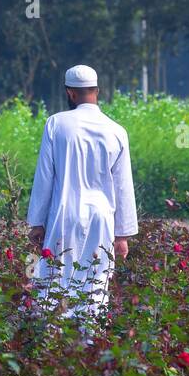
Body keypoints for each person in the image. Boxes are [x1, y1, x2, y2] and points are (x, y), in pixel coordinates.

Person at [26, 64, 138, 323]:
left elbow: (45, 177)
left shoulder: (56, 124)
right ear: (97, 91)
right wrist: (122, 234)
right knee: (96, 279)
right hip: (101, 217)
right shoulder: (116, 130)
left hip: (63, 213)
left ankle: (51, 339)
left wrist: (36, 223)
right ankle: (90, 340)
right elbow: (123, 186)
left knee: (55, 276)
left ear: (70, 93)